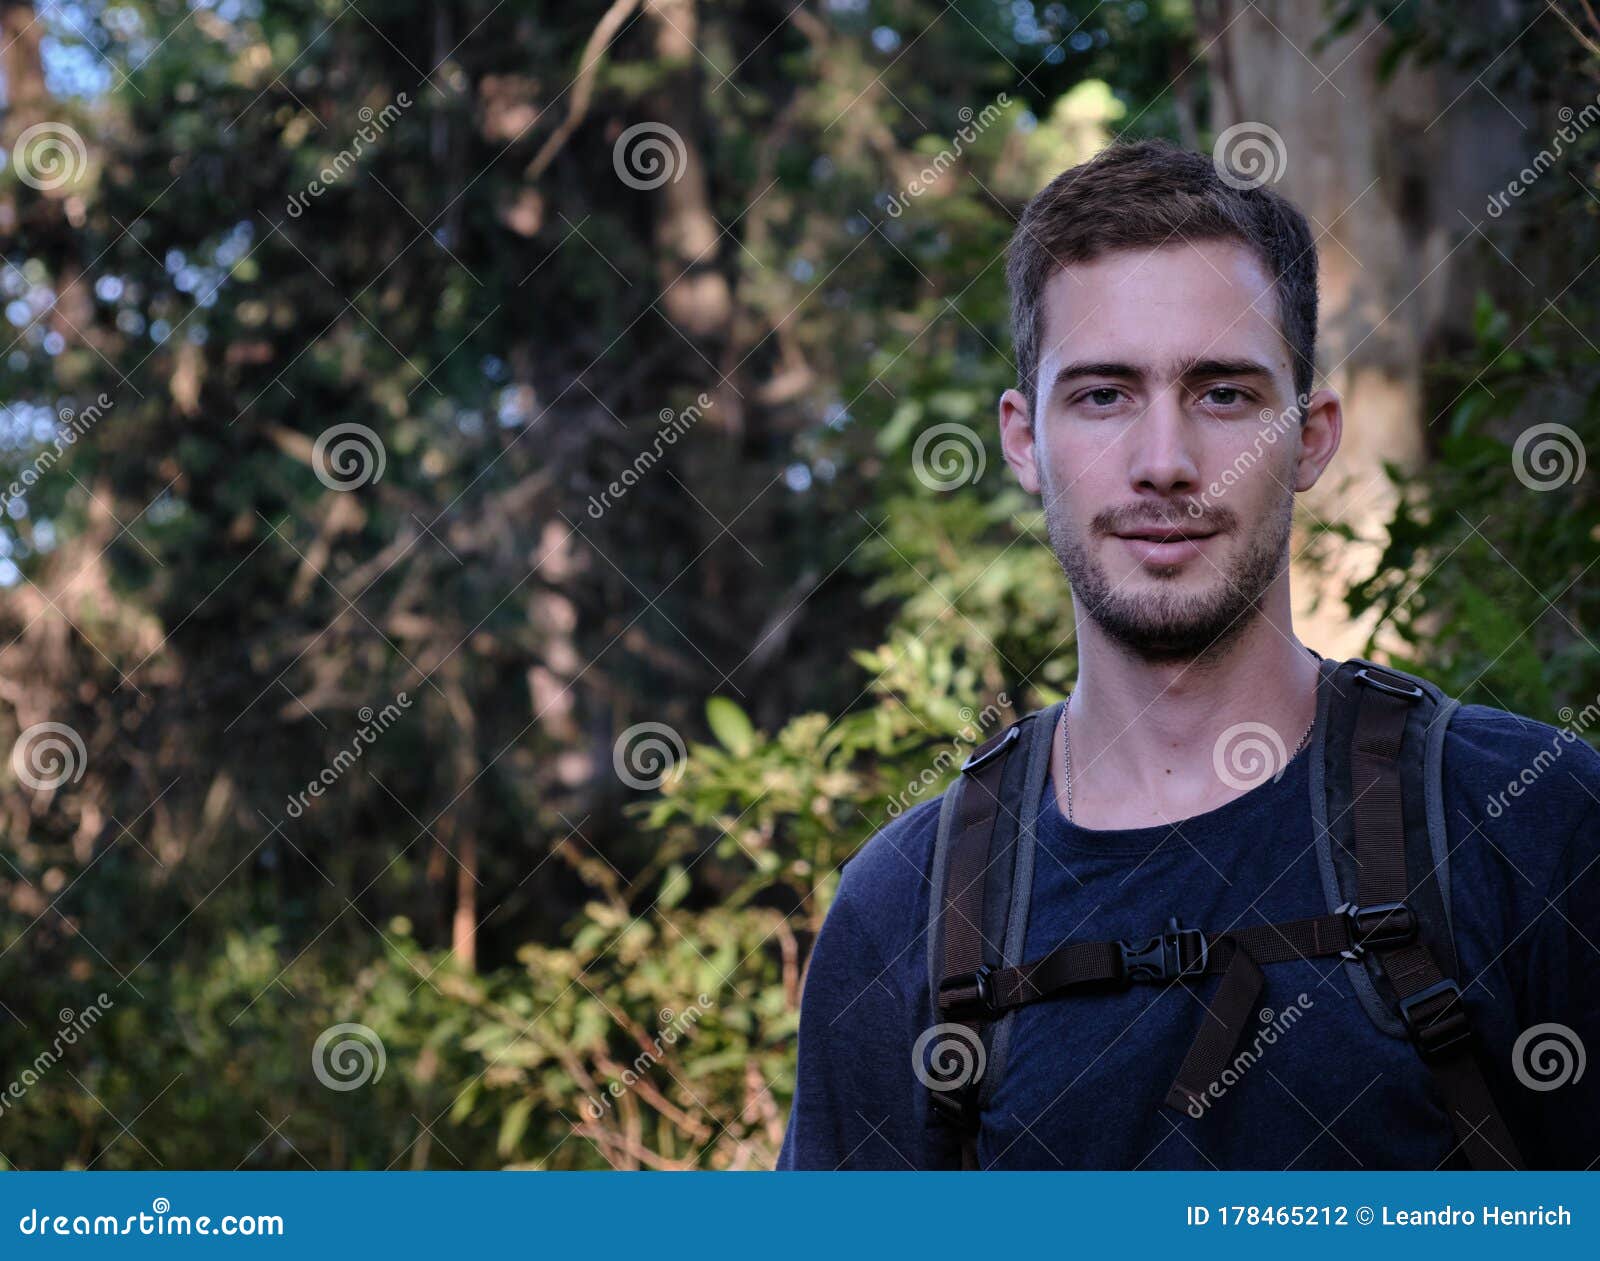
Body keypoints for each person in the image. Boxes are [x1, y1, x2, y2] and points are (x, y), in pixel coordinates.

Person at [776, 140, 1600, 1170]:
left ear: (1310, 435)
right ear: (1024, 440)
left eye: (1222, 394)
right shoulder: (901, 911)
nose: (1164, 463)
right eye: (1103, 395)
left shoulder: (1532, 823)